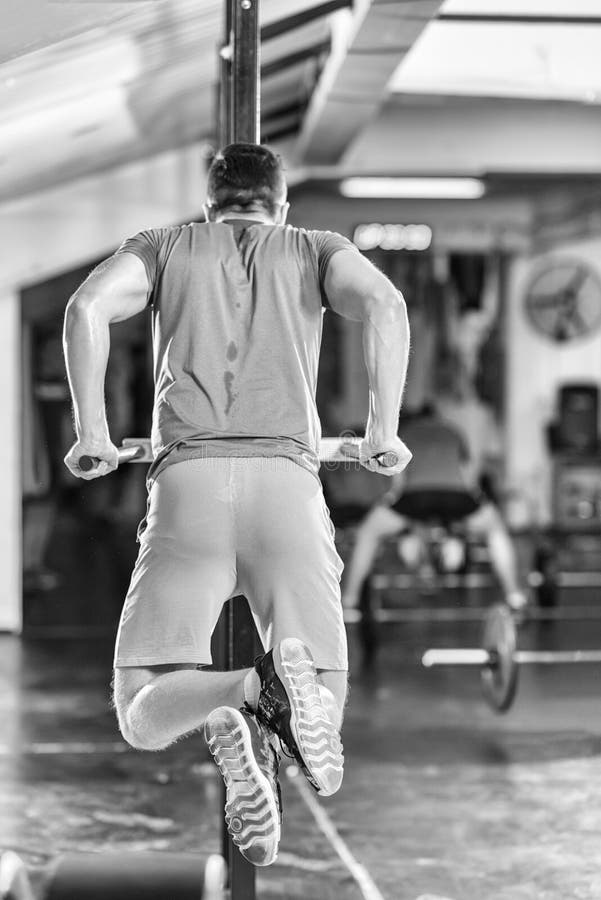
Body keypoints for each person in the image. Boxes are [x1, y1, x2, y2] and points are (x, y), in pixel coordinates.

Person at [62, 143, 412, 867]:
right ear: (280, 206)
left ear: (208, 206)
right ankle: (272, 699)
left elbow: (87, 306)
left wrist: (92, 432)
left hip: (188, 488)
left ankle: (245, 693)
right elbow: (384, 302)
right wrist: (382, 433)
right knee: (325, 701)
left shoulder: (163, 248)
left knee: (142, 708)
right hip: (286, 485)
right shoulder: (315, 246)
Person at [342, 352, 529, 614]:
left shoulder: (404, 434)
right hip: (457, 496)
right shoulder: (452, 431)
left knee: (369, 533)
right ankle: (514, 595)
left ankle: (349, 600)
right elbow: (467, 475)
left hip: (416, 497)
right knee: (495, 529)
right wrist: (472, 505)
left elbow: (398, 480)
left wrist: (396, 507)